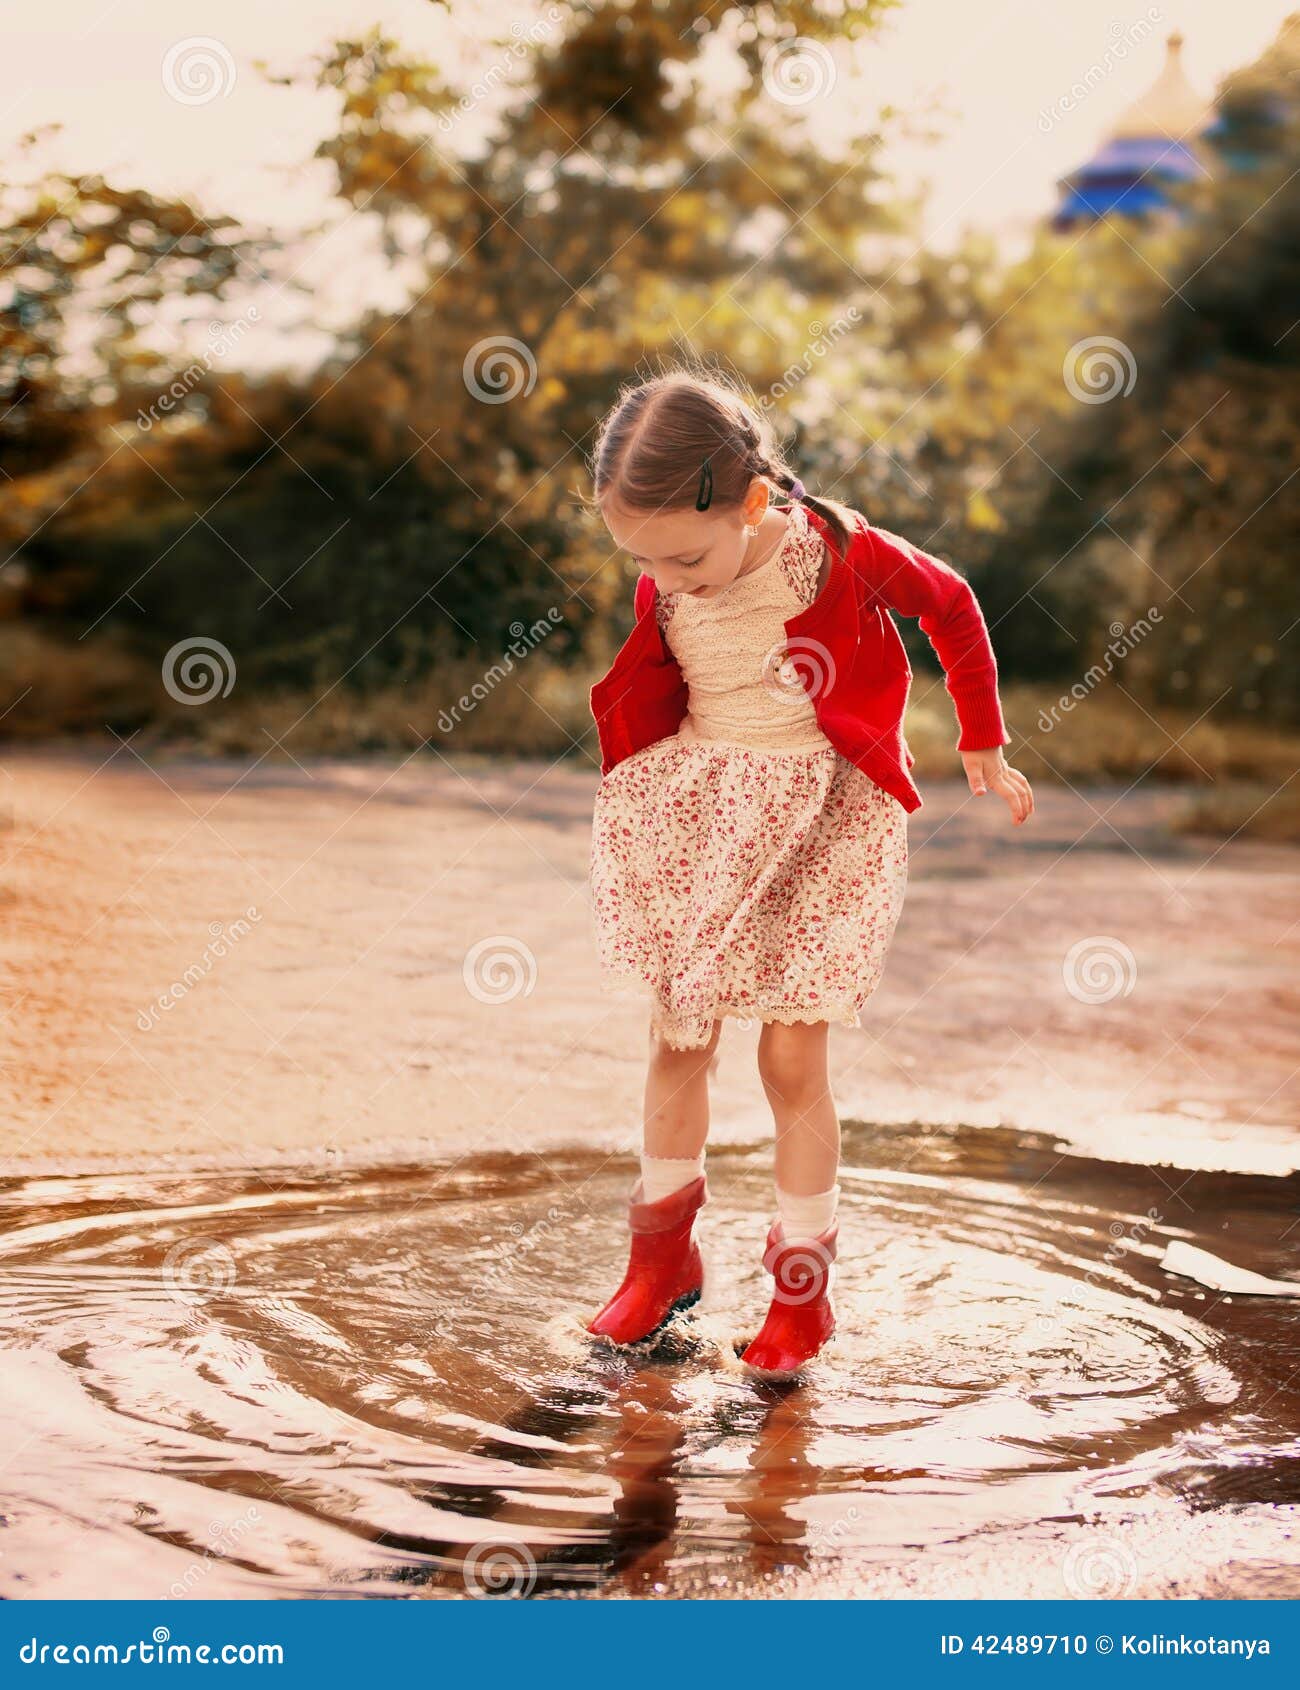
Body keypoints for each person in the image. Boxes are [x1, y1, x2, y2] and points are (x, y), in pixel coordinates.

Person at [584, 368, 1034, 1375]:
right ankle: (660, 1264)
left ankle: (801, 1295)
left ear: (748, 502)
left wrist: (982, 739)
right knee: (677, 1040)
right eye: (644, 558)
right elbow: (662, 672)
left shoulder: (833, 553)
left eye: (686, 555)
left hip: (823, 824)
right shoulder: (673, 560)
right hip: (706, 820)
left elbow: (952, 603)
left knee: (789, 1063)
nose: (669, 577)